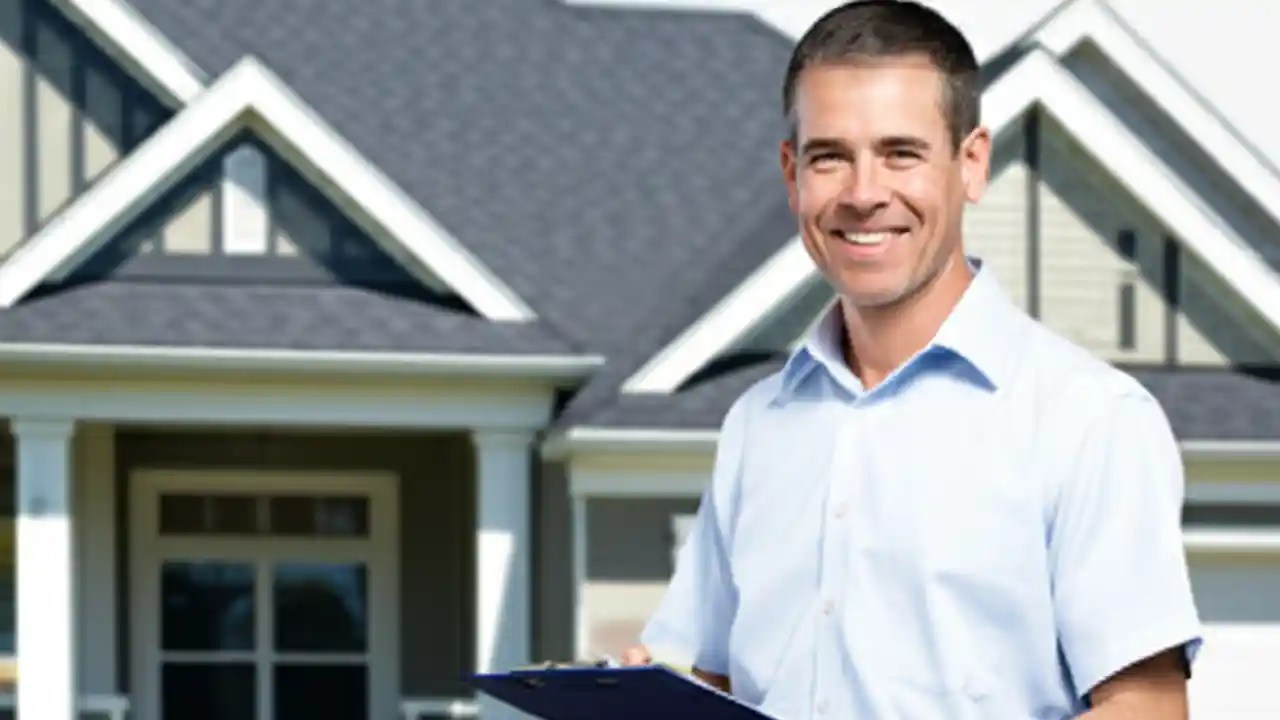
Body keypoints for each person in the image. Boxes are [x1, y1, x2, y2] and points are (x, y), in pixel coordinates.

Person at [621, 1, 1203, 717]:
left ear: (971, 163)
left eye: (901, 153)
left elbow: (1145, 708)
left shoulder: (1088, 421)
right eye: (829, 157)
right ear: (791, 173)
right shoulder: (757, 424)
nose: (865, 194)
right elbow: (715, 683)